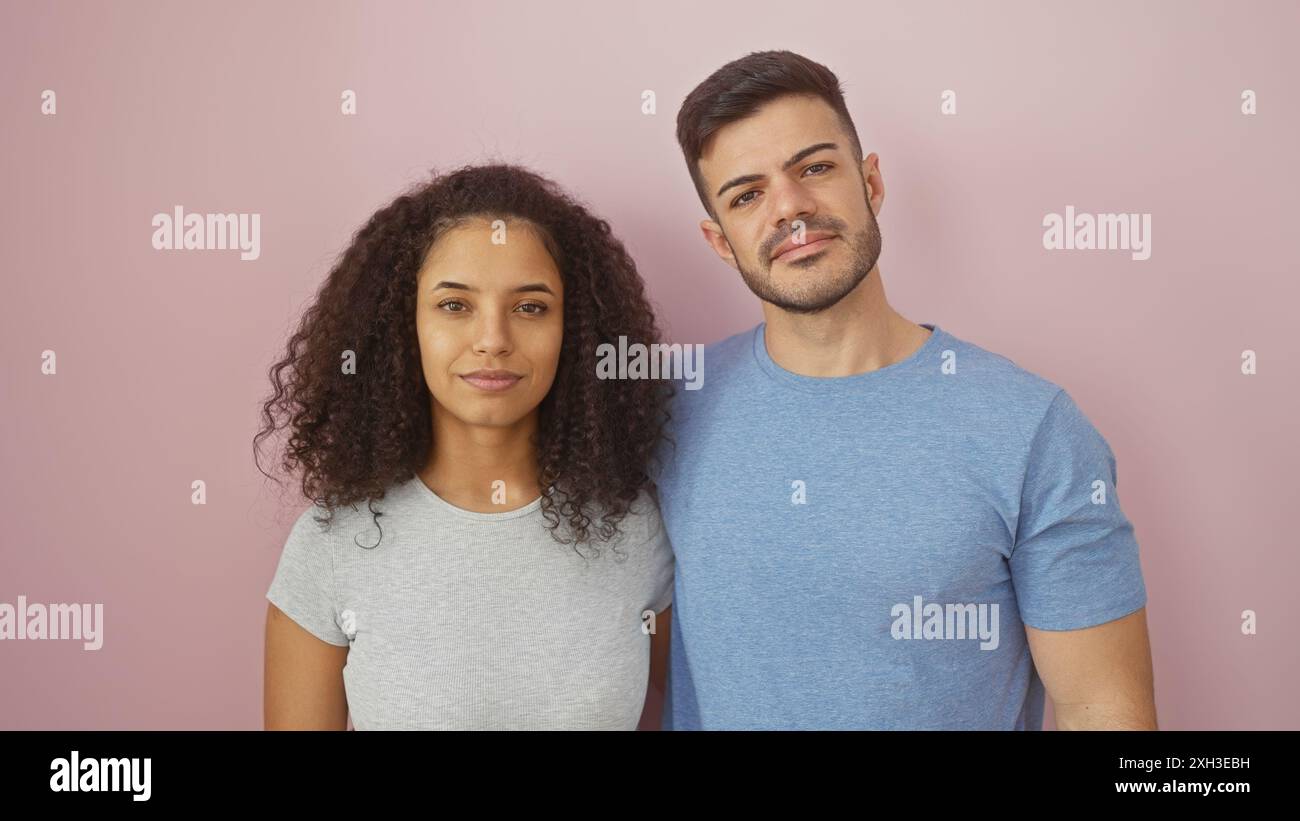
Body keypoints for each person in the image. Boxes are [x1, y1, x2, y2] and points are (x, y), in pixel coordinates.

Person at [657, 50, 1157, 730]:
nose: (791, 207)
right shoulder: (669, 411)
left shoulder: (1031, 428)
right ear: (721, 242)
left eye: (815, 168)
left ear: (871, 182)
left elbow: (1102, 708)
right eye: (747, 195)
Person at [256, 164, 674, 730]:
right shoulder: (331, 545)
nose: (493, 340)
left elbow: (717, 708)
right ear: (402, 325)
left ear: (575, 331)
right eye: (454, 305)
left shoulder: (635, 530)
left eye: (530, 307)